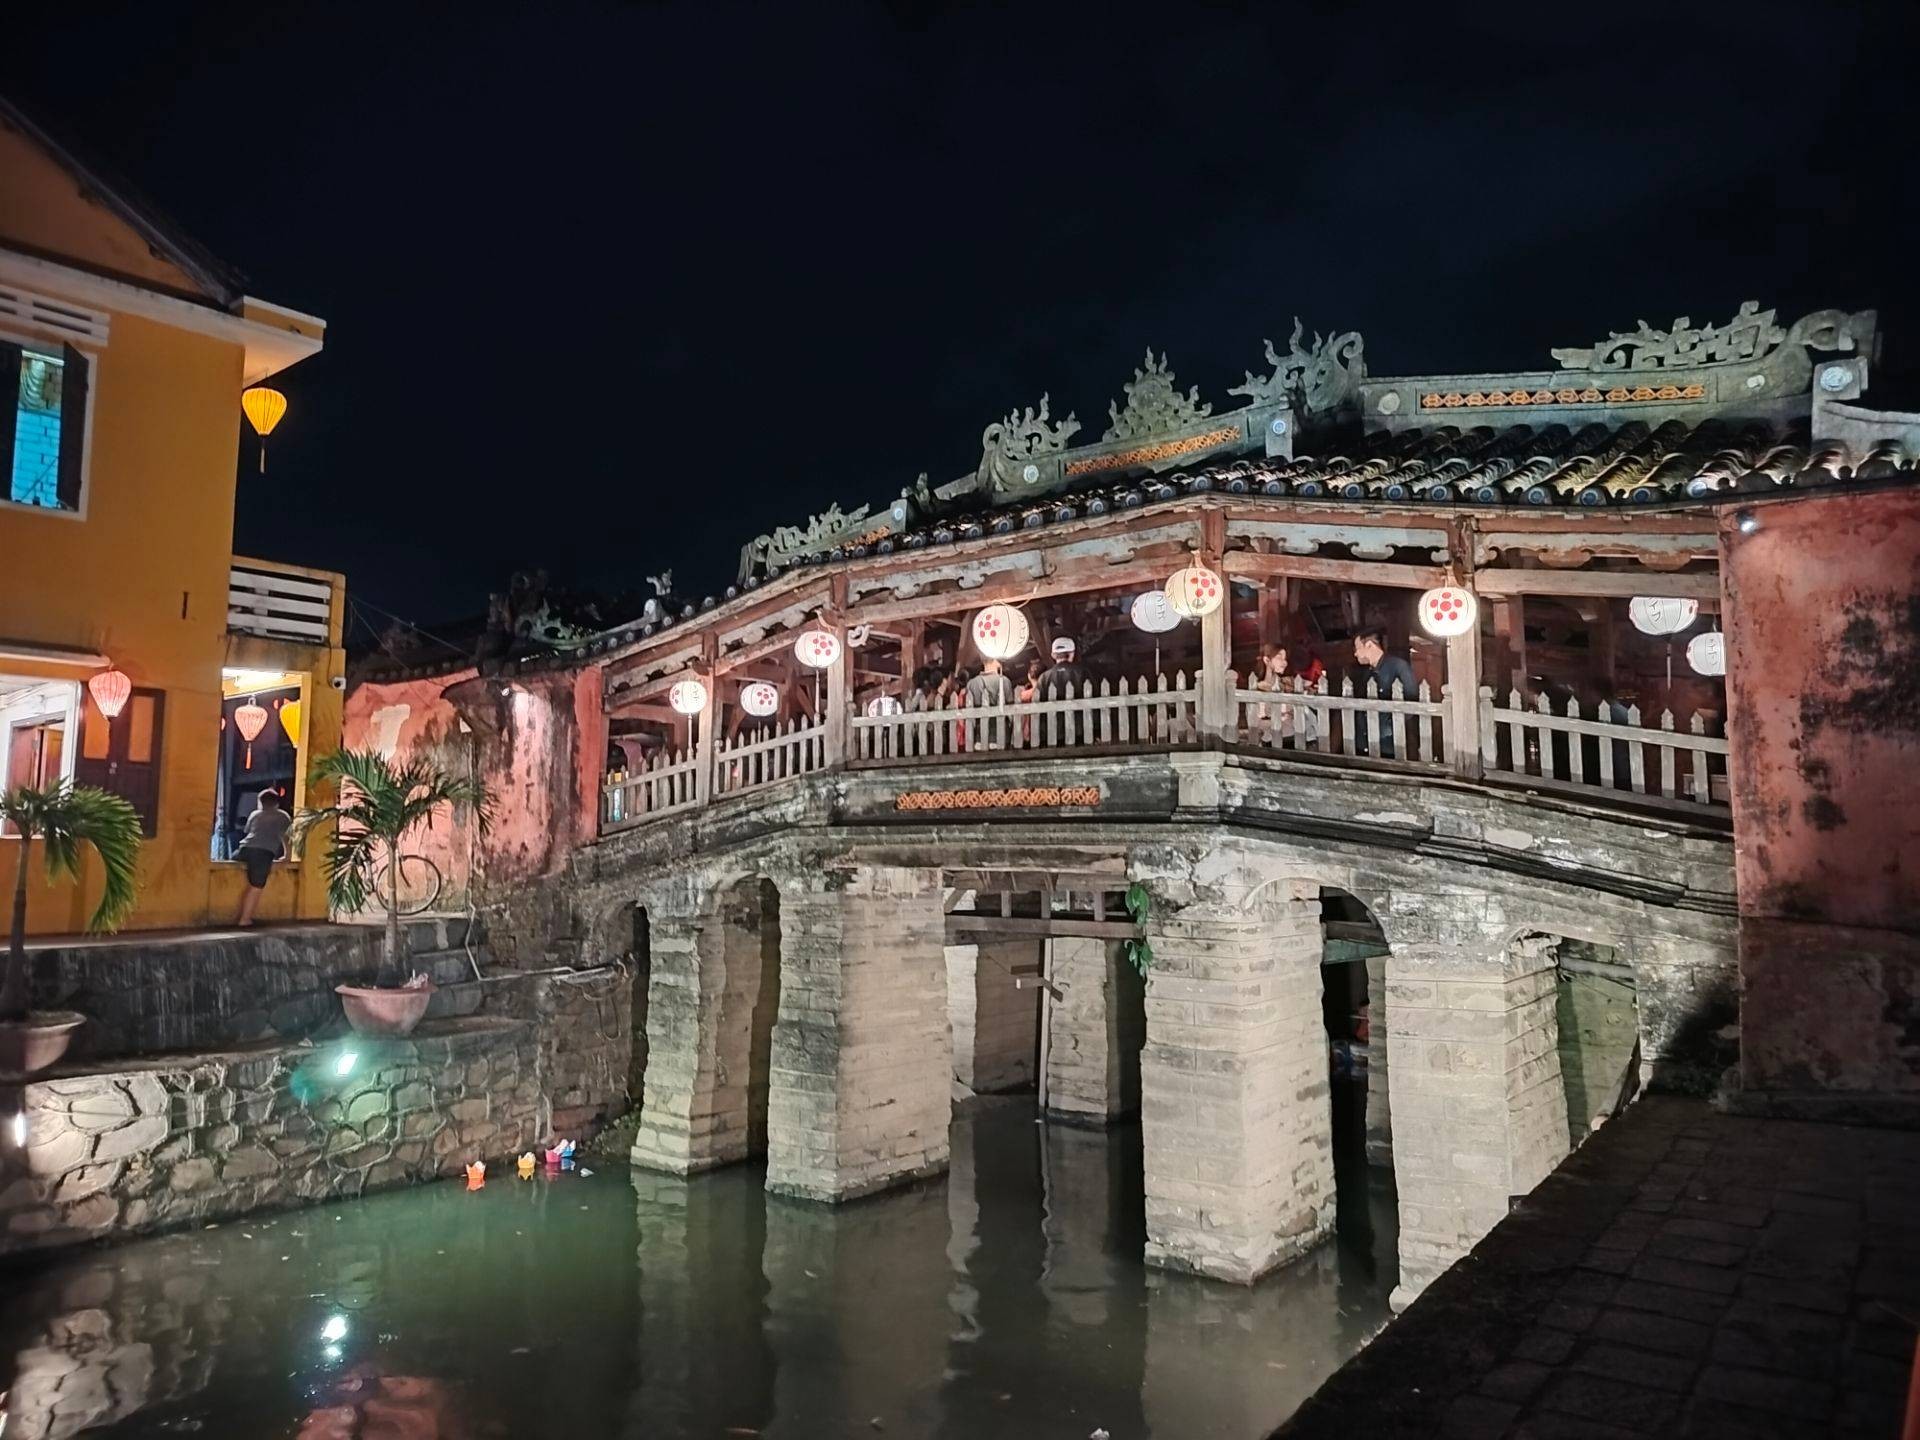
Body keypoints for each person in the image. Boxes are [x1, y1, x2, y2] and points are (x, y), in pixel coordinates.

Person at [1351, 627, 1417, 758]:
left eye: (1357, 648)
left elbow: (1412, 702)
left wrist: (1390, 726)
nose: (1355, 654)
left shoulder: (1399, 666)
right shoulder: (1367, 673)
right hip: (1364, 743)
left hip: (1389, 744)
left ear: (1369, 645)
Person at [233, 789, 293, 926]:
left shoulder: (255, 814)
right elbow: (286, 837)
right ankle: (245, 919)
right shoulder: (283, 816)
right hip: (263, 852)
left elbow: (248, 832)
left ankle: (243, 917)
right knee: (256, 886)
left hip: (244, 849)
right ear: (277, 803)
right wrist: (287, 855)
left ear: (260, 803)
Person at [965, 657, 1015, 748]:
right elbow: (1011, 711)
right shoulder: (1005, 681)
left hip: (979, 735)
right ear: (995, 661)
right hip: (1002, 734)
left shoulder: (972, 683)